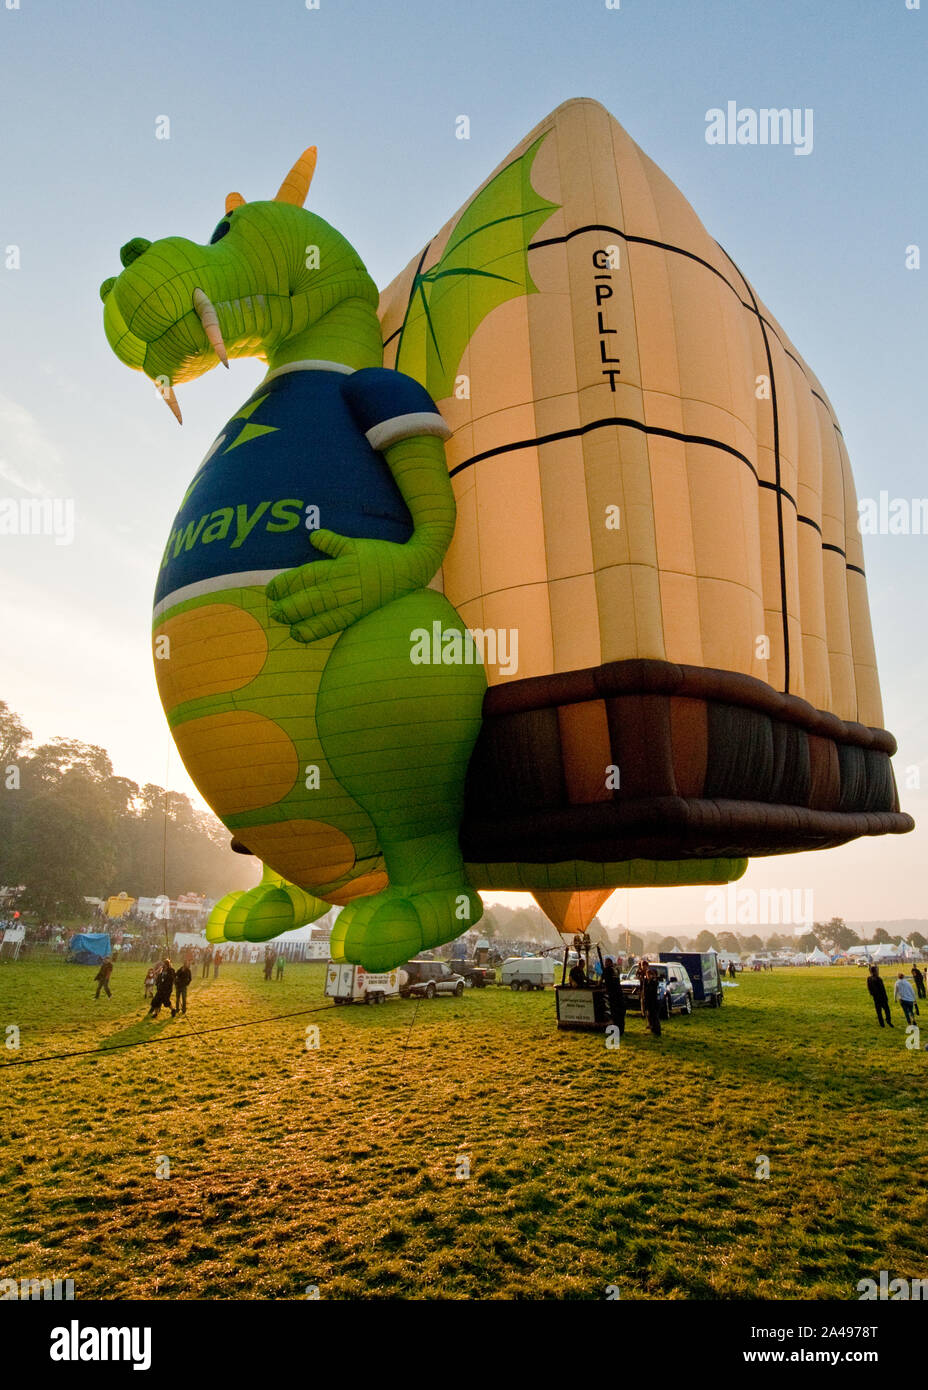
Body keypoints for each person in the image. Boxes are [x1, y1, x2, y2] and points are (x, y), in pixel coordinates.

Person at [602, 956, 626, 1036]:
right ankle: (621, 1030)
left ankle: (616, 1031)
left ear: (607, 963)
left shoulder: (606, 970)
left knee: (614, 1013)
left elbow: (600, 982)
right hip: (619, 993)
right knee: (620, 1013)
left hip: (613, 994)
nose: (605, 964)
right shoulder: (616, 970)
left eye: (605, 963)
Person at [643, 968, 662, 1036]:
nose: (648, 976)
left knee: (654, 1017)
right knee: (649, 1016)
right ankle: (652, 1029)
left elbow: (651, 991)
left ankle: (657, 1031)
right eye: (647, 974)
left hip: (653, 1001)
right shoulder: (646, 981)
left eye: (649, 975)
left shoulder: (654, 982)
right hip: (648, 1001)